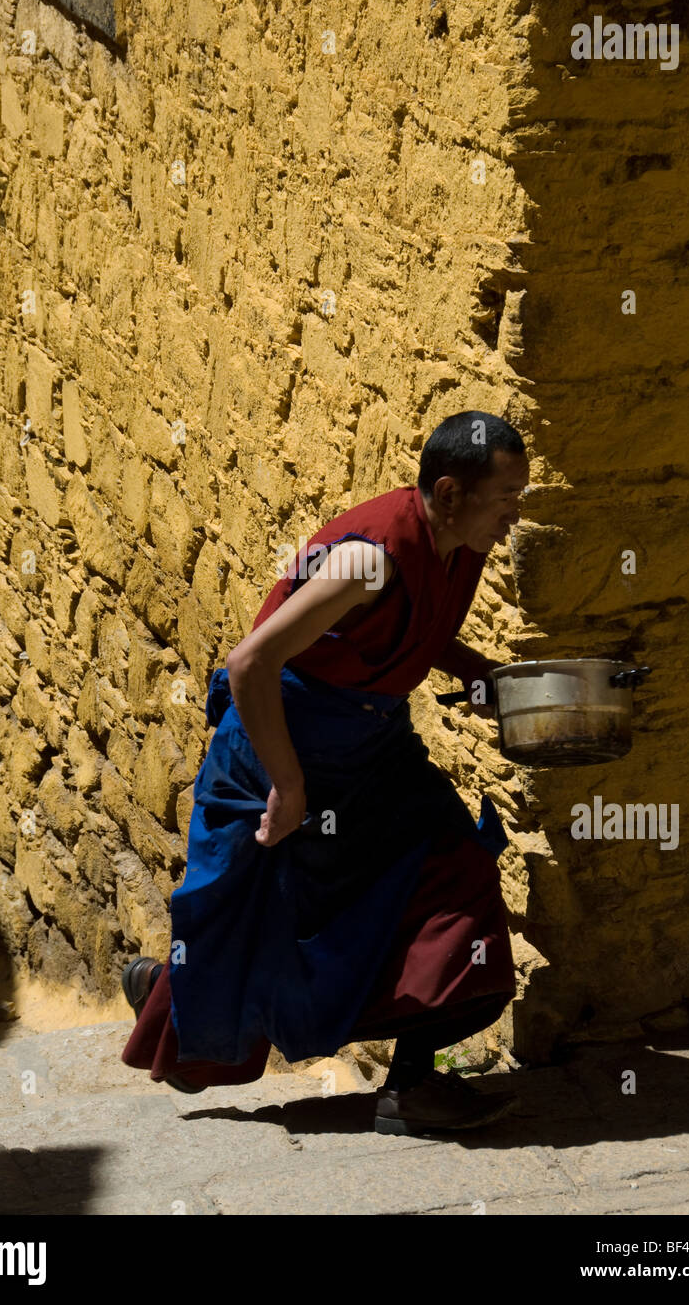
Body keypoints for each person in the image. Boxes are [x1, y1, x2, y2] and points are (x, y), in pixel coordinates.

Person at [121, 410, 530, 1136]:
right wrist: (290, 785)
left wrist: (491, 680)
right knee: (252, 921)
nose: (515, 517)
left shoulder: (457, 545)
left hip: (373, 753)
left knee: (457, 871)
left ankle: (413, 1085)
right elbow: (252, 663)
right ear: (450, 491)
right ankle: (172, 1004)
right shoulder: (367, 560)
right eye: (506, 500)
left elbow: (417, 628)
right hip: (279, 750)